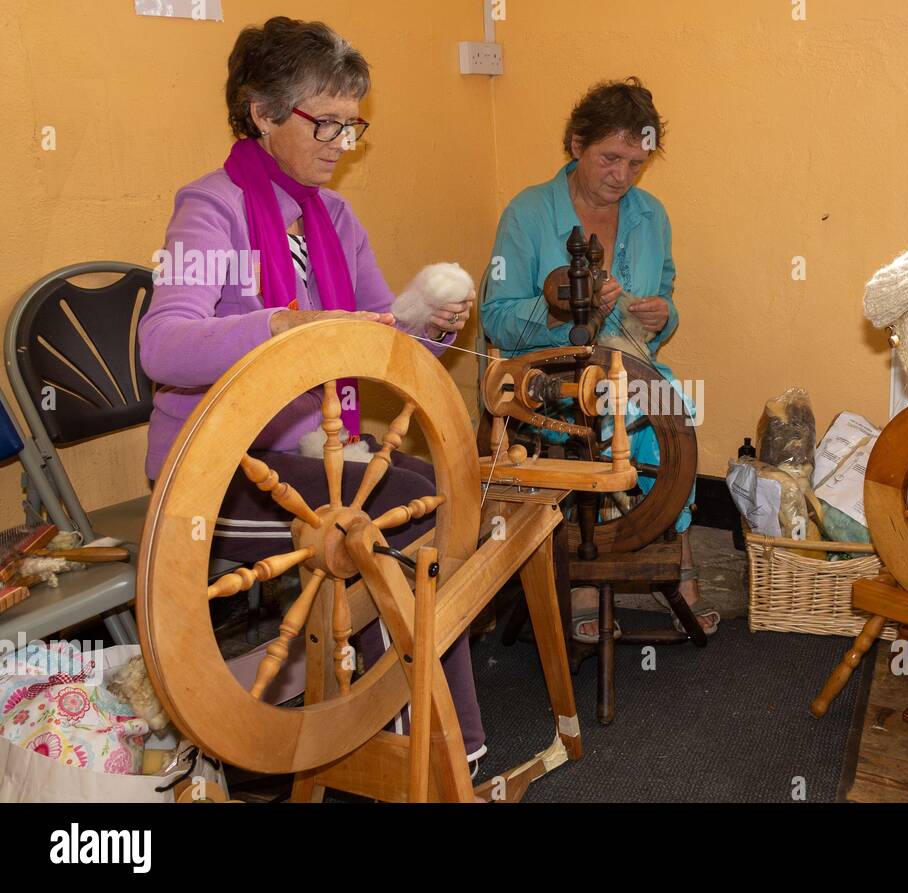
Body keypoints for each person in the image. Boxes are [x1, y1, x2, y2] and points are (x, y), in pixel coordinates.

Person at [138, 17, 485, 764]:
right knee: (394, 516)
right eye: (325, 123)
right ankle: (425, 743)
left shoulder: (334, 217)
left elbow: (380, 340)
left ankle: (432, 733)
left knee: (434, 490)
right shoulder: (209, 210)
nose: (340, 142)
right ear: (262, 113)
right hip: (217, 476)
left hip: (312, 456)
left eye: (351, 126)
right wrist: (283, 325)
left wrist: (433, 320)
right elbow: (161, 344)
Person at [481, 77, 717, 642]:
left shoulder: (650, 215)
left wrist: (666, 315)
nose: (623, 176)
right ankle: (583, 576)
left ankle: (674, 554)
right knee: (599, 414)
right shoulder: (528, 213)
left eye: (637, 162)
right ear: (576, 144)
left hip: (625, 364)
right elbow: (496, 317)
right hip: (546, 374)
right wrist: (562, 311)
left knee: (673, 410)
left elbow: (665, 290)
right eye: (611, 158)